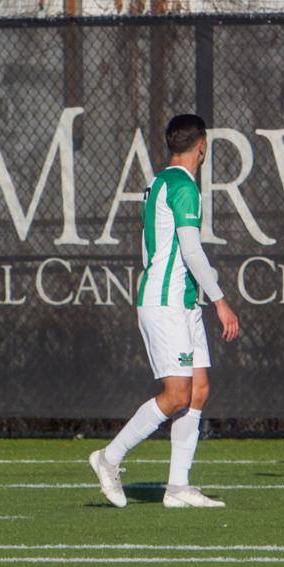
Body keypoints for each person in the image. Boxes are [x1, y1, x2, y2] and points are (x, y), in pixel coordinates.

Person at [88, 114, 240, 509]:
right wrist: (221, 300)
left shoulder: (159, 181)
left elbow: (150, 246)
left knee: (199, 390)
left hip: (183, 301)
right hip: (166, 301)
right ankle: (109, 457)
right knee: (176, 395)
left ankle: (177, 487)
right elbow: (191, 250)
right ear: (202, 146)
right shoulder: (184, 187)